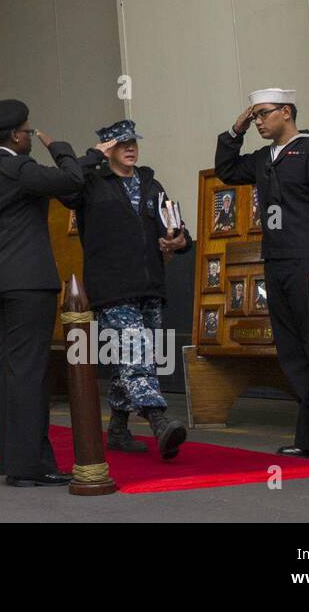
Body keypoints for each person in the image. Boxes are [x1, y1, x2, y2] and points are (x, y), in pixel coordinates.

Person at [215, 88, 309, 459]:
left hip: (308, 263)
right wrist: (234, 131)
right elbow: (227, 170)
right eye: (254, 115)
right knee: (292, 353)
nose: (258, 121)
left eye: (263, 114)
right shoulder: (263, 157)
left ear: (286, 111)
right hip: (276, 262)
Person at [0, 98, 84, 487]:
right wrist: (62, 150)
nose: (31, 137)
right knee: (30, 374)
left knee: (10, 372)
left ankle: (19, 464)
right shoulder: (19, 167)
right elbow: (71, 183)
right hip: (27, 282)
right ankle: (31, 465)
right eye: (28, 132)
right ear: (16, 136)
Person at [61, 119, 192, 458]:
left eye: (133, 141)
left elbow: (177, 228)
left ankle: (118, 429)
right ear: (107, 150)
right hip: (112, 287)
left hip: (150, 285)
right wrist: (92, 157)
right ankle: (158, 419)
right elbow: (63, 187)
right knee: (135, 351)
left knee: (136, 356)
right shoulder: (89, 184)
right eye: (121, 144)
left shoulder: (152, 184)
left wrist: (177, 241)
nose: (130, 147)